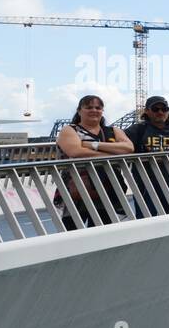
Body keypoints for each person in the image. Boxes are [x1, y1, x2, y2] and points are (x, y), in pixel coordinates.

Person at [53, 94, 134, 228]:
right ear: (79, 111)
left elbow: (129, 148)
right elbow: (76, 152)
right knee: (72, 232)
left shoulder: (113, 131)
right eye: (89, 107)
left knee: (104, 232)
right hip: (77, 189)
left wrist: (93, 145)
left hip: (108, 187)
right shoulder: (69, 130)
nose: (94, 110)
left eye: (98, 107)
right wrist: (113, 153)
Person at [124, 96, 169, 215]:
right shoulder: (138, 129)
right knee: (146, 222)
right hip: (145, 185)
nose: (160, 112)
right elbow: (123, 147)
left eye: (164, 109)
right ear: (147, 111)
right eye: (155, 109)